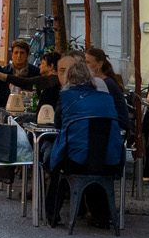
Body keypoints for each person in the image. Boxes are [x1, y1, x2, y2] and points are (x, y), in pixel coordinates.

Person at [51, 59, 126, 228]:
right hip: (110, 161)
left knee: (54, 161)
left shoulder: (66, 97)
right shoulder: (106, 98)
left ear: (69, 78)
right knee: (93, 153)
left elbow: (57, 124)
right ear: (92, 79)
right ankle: (101, 215)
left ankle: (51, 214)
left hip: (78, 162)